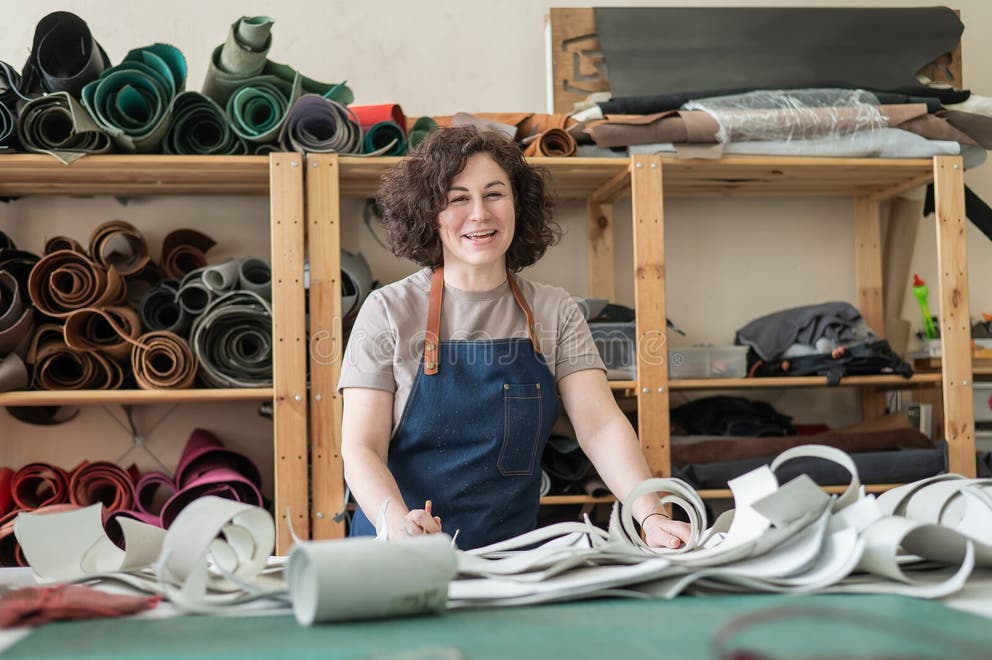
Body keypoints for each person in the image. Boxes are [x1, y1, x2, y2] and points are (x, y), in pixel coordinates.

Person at [338, 125, 691, 550]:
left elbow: (600, 426)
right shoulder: (388, 311)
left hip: (514, 557)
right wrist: (397, 524)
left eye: (494, 194)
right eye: (457, 198)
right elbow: (361, 447)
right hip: (402, 554)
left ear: (518, 205)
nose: (480, 215)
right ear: (430, 213)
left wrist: (651, 515)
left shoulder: (555, 311)